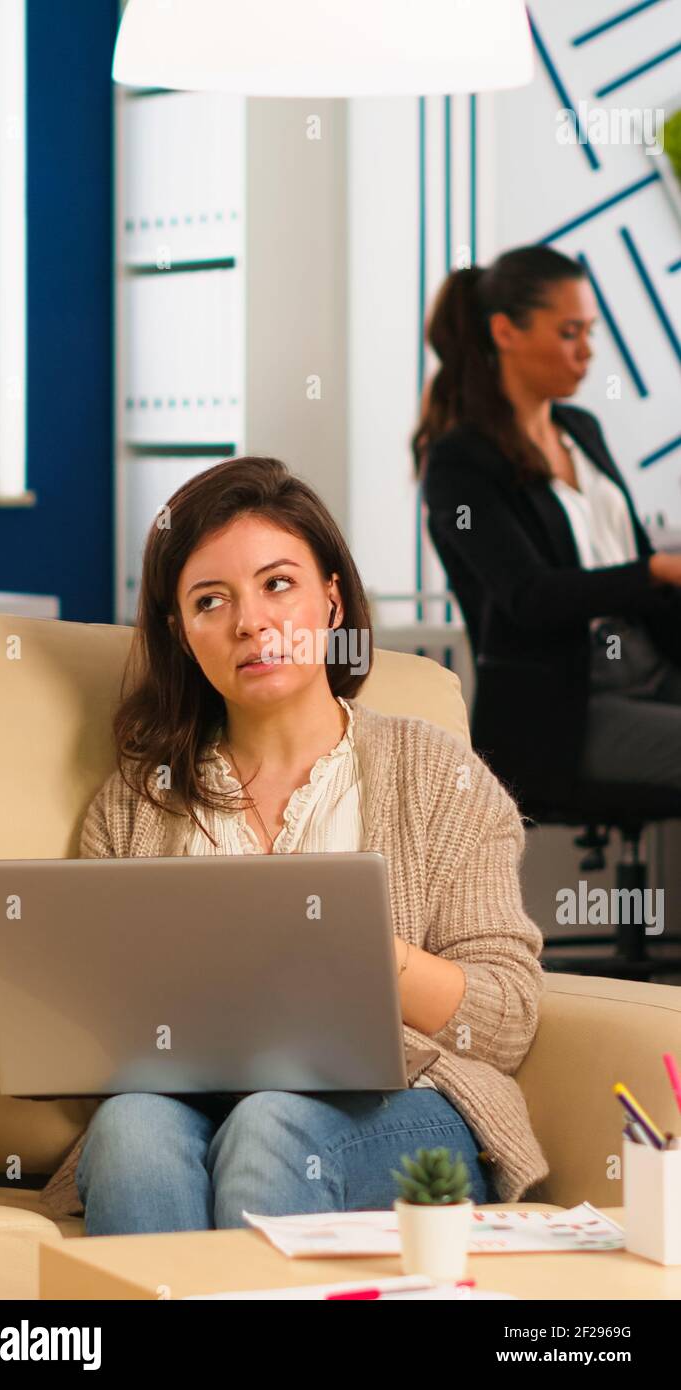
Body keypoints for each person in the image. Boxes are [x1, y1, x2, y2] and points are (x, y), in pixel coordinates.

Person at [39, 455, 548, 1235]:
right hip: (187, 1105)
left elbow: (505, 1022)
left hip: (404, 1111)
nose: (252, 622)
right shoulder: (136, 803)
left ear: (331, 599)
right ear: (182, 633)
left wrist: (359, 949)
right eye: (212, 601)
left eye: (279, 584)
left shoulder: (435, 774)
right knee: (132, 1130)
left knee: (270, 1123)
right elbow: (91, 1041)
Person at [413, 245, 681, 809]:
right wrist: (655, 569)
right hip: (568, 707)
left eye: (590, 332)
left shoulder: (581, 428)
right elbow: (529, 597)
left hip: (649, 665)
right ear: (506, 332)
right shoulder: (462, 460)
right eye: (569, 333)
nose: (587, 352)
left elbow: (622, 554)